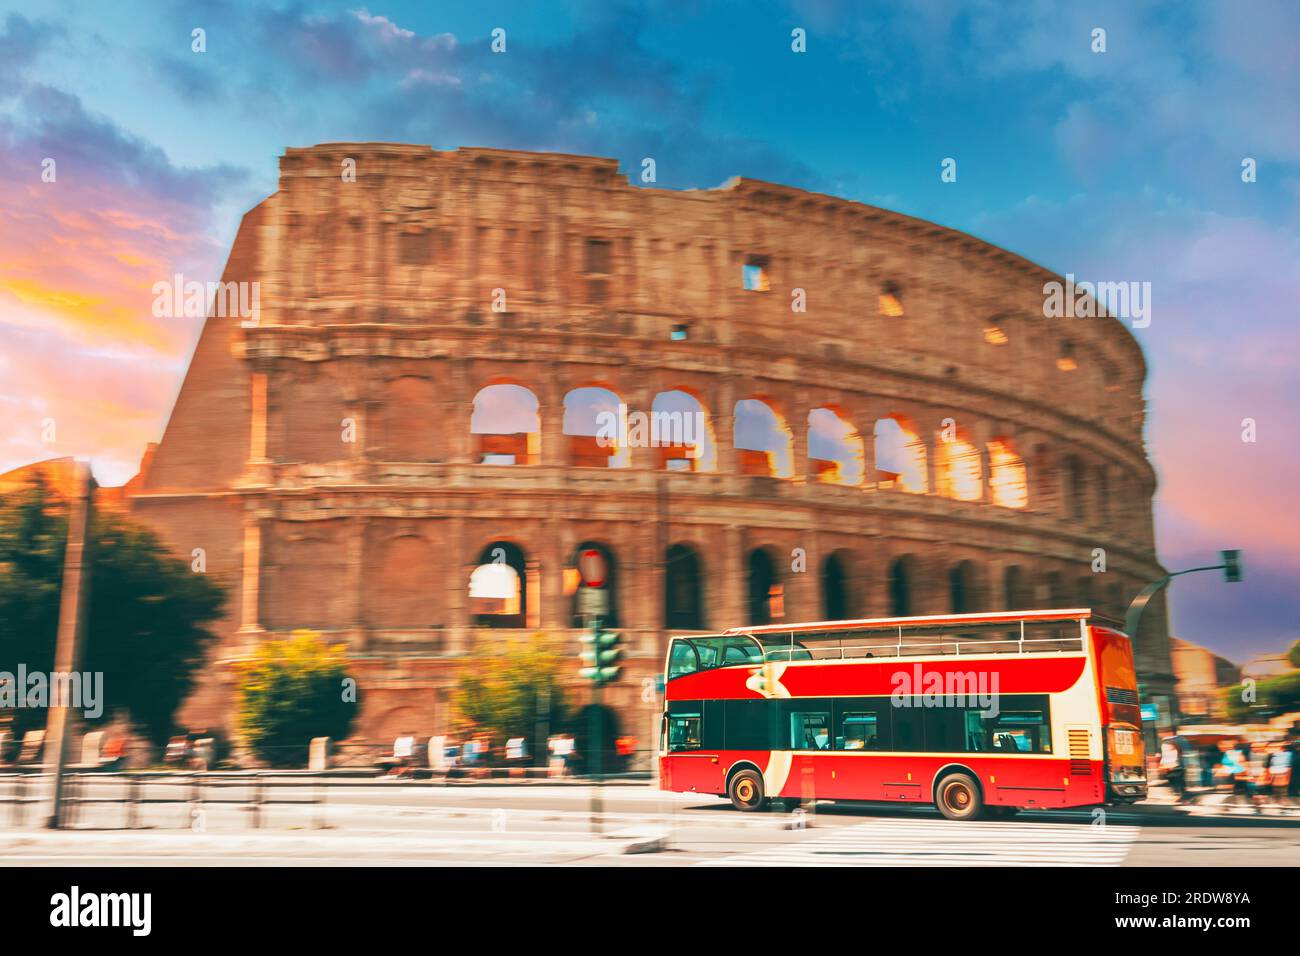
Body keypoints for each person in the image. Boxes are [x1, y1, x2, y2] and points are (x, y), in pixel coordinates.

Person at [1159, 732, 1187, 803]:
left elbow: (1174, 759)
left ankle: (1180, 796)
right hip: (1171, 769)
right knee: (1174, 782)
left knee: (1177, 782)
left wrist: (1168, 765)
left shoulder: (1174, 751)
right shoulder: (1167, 748)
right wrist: (1162, 765)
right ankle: (1179, 796)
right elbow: (1164, 757)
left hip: (1175, 768)